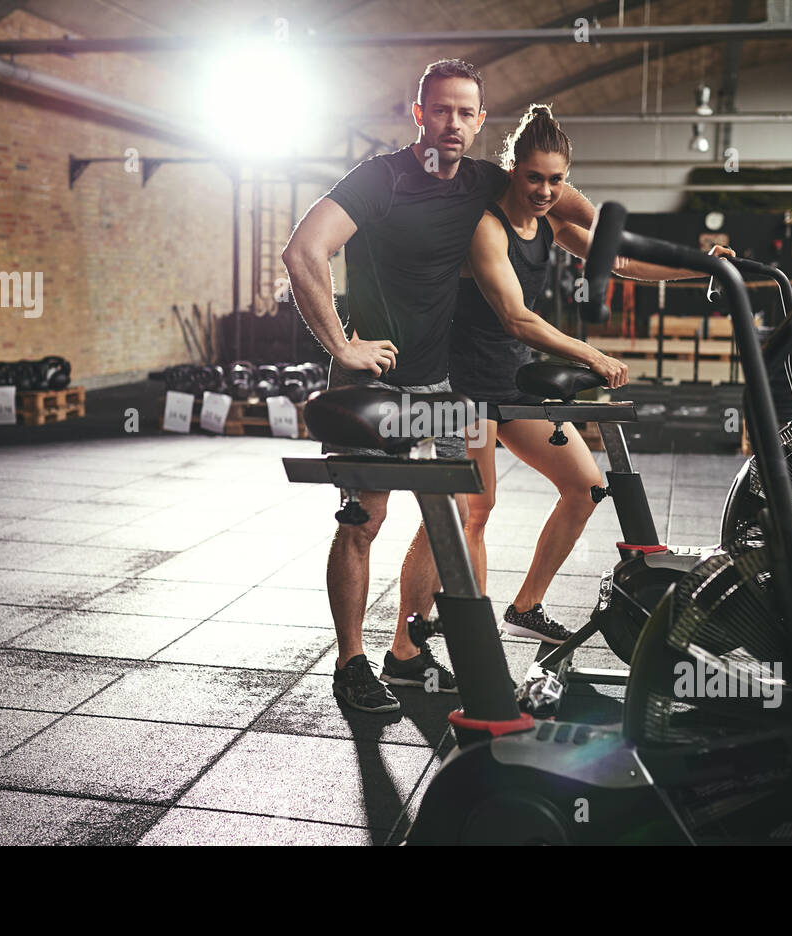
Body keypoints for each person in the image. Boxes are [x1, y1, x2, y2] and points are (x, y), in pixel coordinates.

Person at [281, 60, 603, 713]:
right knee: (364, 521)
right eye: (441, 110)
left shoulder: (486, 179)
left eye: (466, 112)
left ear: (480, 121)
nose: (452, 123)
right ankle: (350, 663)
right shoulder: (380, 179)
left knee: (456, 515)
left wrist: (625, 235)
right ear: (418, 113)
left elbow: (565, 200)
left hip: (440, 386)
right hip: (373, 387)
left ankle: (405, 655)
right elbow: (302, 250)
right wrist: (343, 345)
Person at [453, 104, 731, 644]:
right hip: (465, 384)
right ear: (513, 169)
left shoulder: (552, 221)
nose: (544, 189)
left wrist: (702, 266)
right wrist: (589, 354)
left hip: (513, 378)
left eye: (556, 179)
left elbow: (621, 262)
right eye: (533, 177)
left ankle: (526, 606)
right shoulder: (487, 228)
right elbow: (517, 318)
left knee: (585, 488)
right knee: (477, 508)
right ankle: (467, 637)